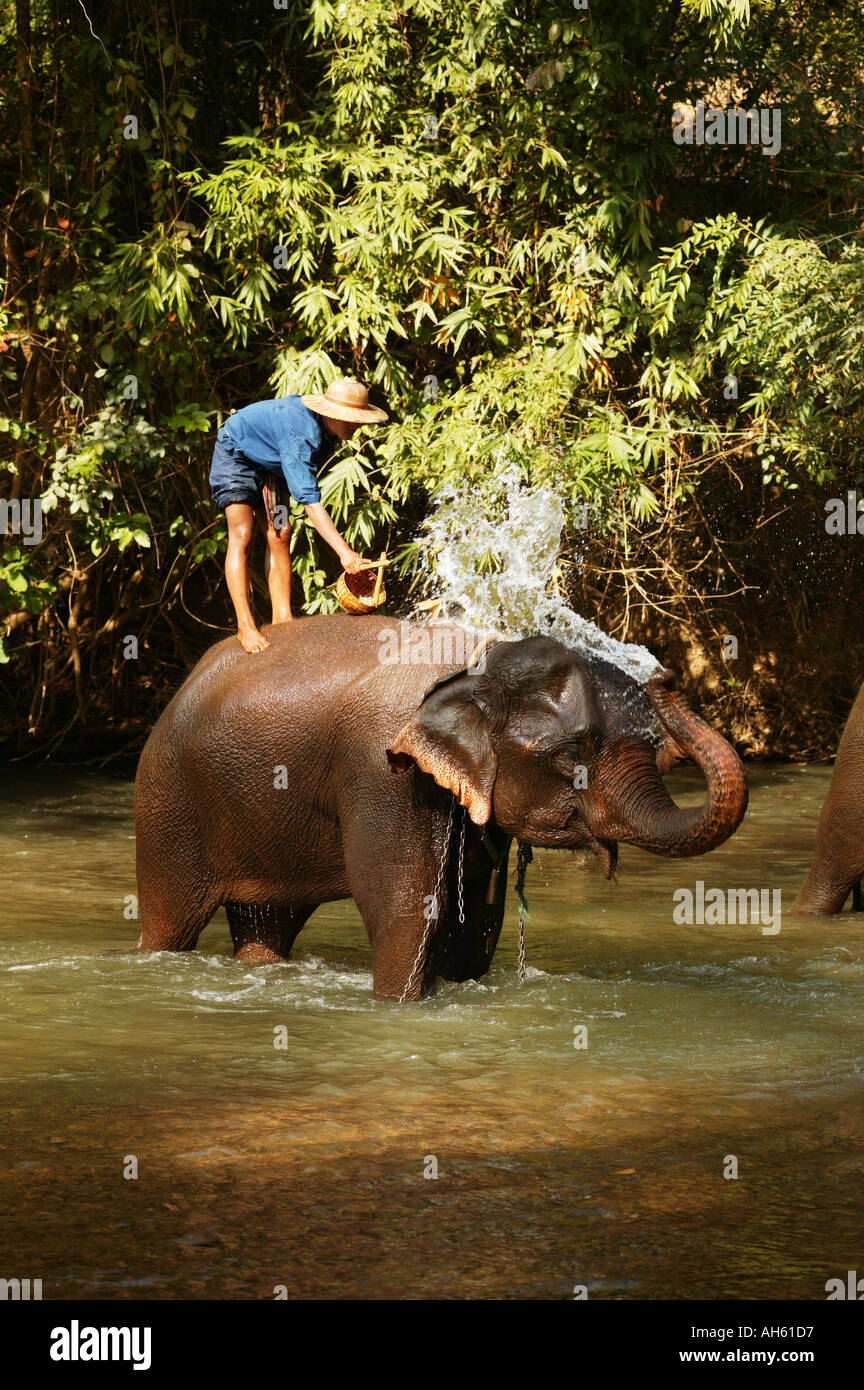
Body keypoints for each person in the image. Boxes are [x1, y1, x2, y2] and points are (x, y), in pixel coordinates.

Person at [209, 377, 389, 652]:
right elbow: (309, 500)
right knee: (242, 534)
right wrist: (344, 552)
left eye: (357, 419)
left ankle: (282, 618)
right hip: (237, 457)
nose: (354, 424)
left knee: (280, 533)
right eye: (348, 418)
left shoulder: (329, 433)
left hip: (273, 465)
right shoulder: (300, 434)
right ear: (329, 413)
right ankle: (245, 625)